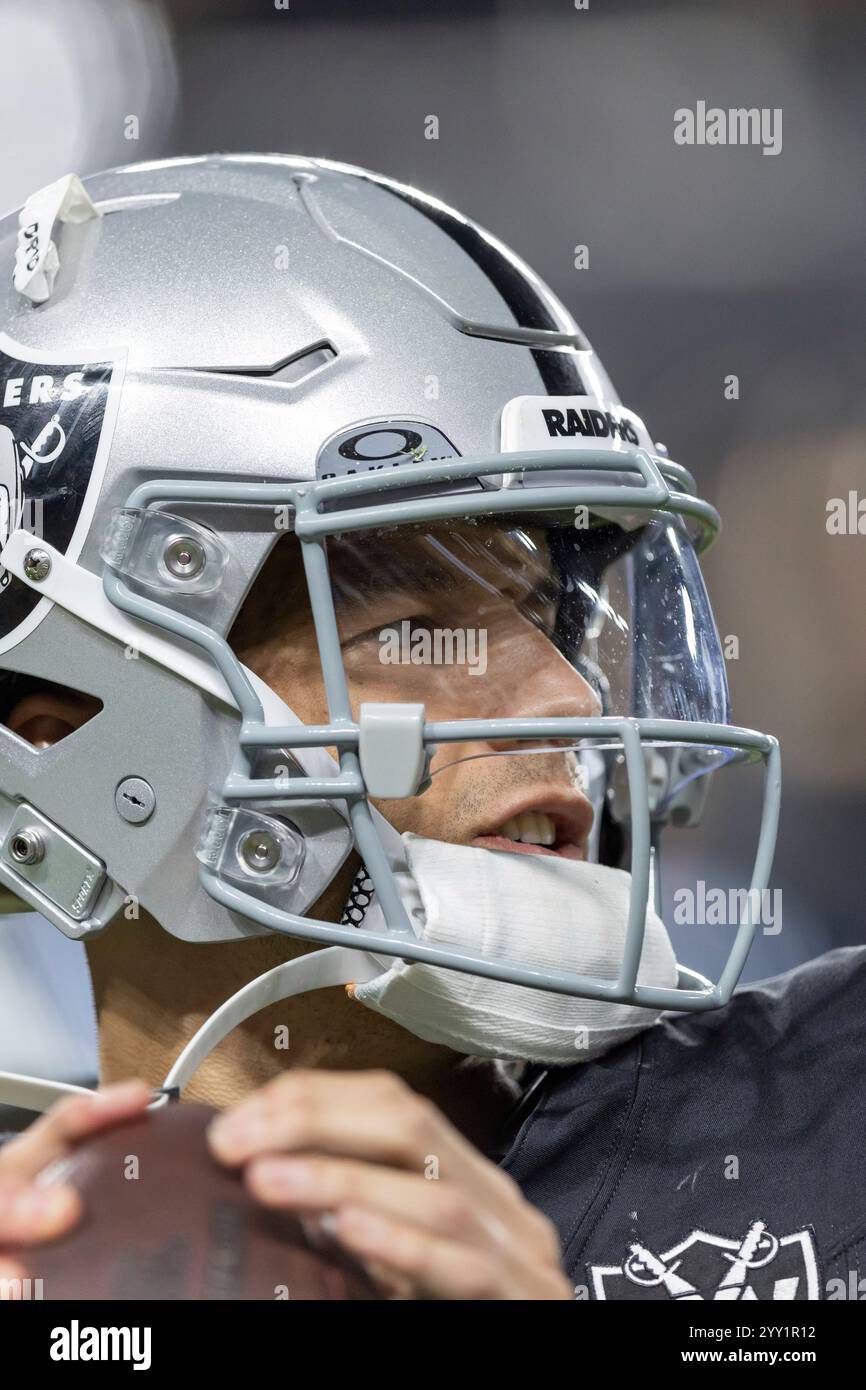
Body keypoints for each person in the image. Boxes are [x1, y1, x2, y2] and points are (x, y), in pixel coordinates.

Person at [1, 156, 856, 1304]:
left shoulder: (823, 1111)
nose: (569, 698)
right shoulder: (46, 1254)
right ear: (79, 745)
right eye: (415, 630)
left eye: (552, 616)